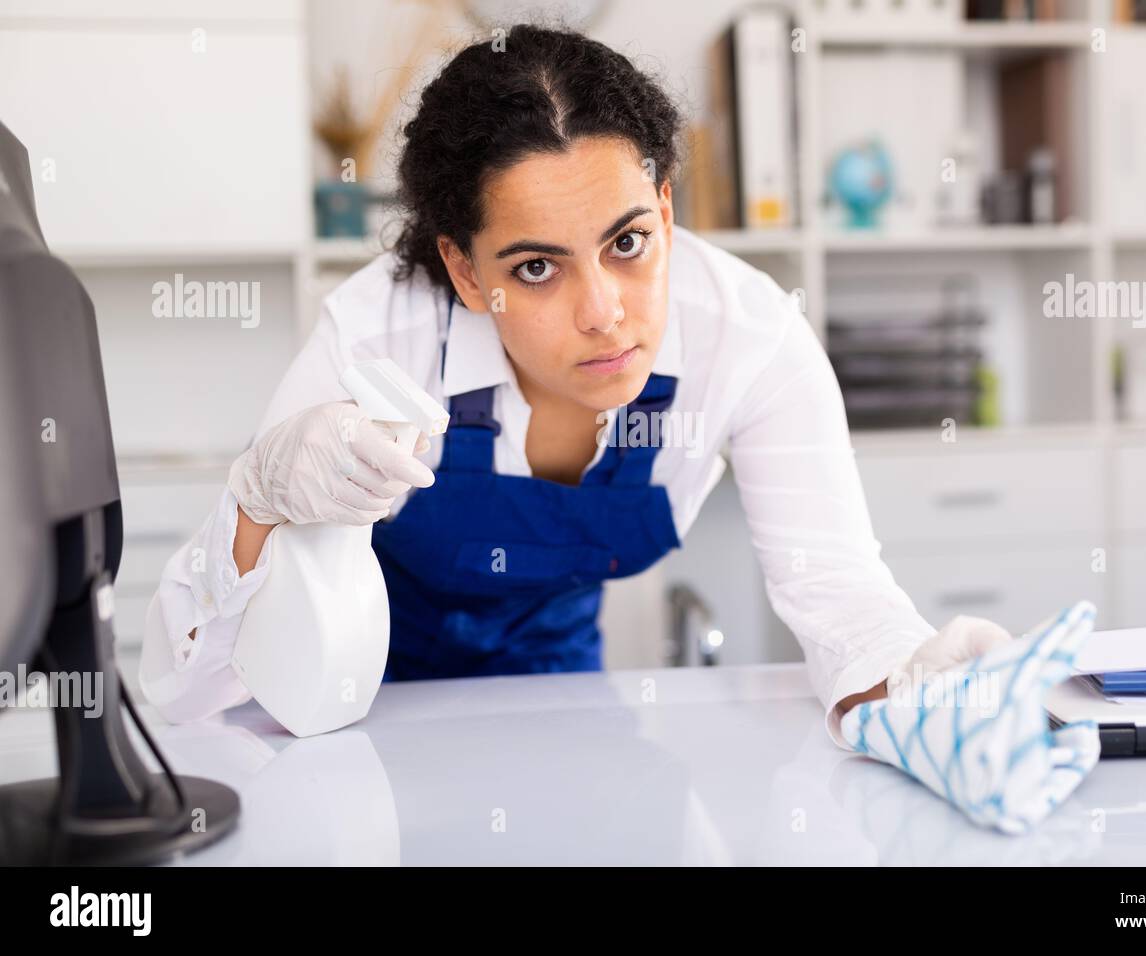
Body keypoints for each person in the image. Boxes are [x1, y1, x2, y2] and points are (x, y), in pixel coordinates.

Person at [138, 23, 1012, 751]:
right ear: (464, 269)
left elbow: (840, 595)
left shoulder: (749, 339)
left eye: (628, 242)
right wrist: (259, 501)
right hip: (356, 724)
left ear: (665, 211)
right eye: (535, 266)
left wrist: (924, 708)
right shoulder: (376, 340)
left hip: (567, 711)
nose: (603, 313)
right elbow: (185, 693)